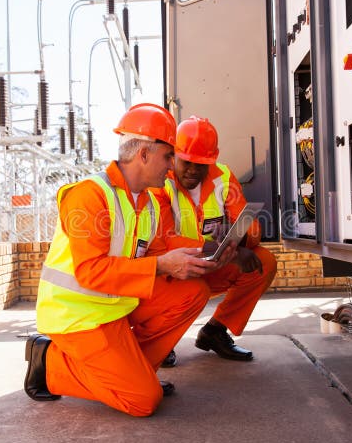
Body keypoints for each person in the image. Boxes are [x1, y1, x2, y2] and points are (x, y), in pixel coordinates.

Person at [24, 103, 235, 418]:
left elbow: (159, 247)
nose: (172, 165)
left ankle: (132, 374)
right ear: (144, 155)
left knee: (193, 292)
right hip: (78, 317)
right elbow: (89, 272)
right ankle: (51, 363)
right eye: (168, 156)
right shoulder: (89, 196)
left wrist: (206, 251)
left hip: (114, 307)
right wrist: (164, 265)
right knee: (143, 401)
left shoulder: (146, 202)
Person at [155, 116, 277, 366]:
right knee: (181, 285)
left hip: (211, 263)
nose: (192, 170)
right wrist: (221, 249)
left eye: (200, 164)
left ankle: (215, 331)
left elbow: (250, 225)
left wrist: (238, 239)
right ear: (173, 155)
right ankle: (158, 340)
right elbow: (163, 241)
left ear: (211, 160)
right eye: (186, 162)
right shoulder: (159, 181)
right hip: (172, 271)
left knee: (264, 261)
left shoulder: (222, 176)